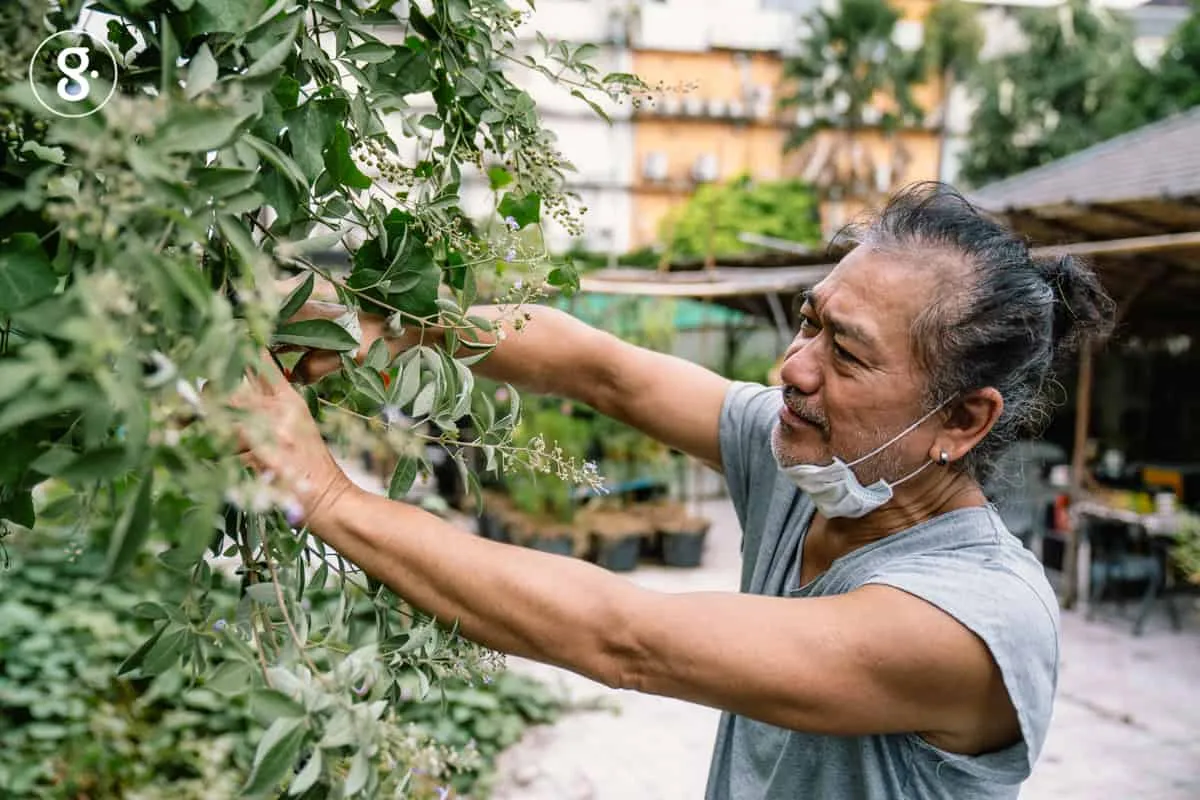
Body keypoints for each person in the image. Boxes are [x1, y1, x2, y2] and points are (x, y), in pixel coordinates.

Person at [233, 183, 1114, 799]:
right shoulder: (814, 459)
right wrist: (377, 325)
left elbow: (625, 640)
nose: (793, 367)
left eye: (845, 354)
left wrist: (324, 492)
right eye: (808, 321)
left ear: (961, 420)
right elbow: (601, 370)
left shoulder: (969, 622)